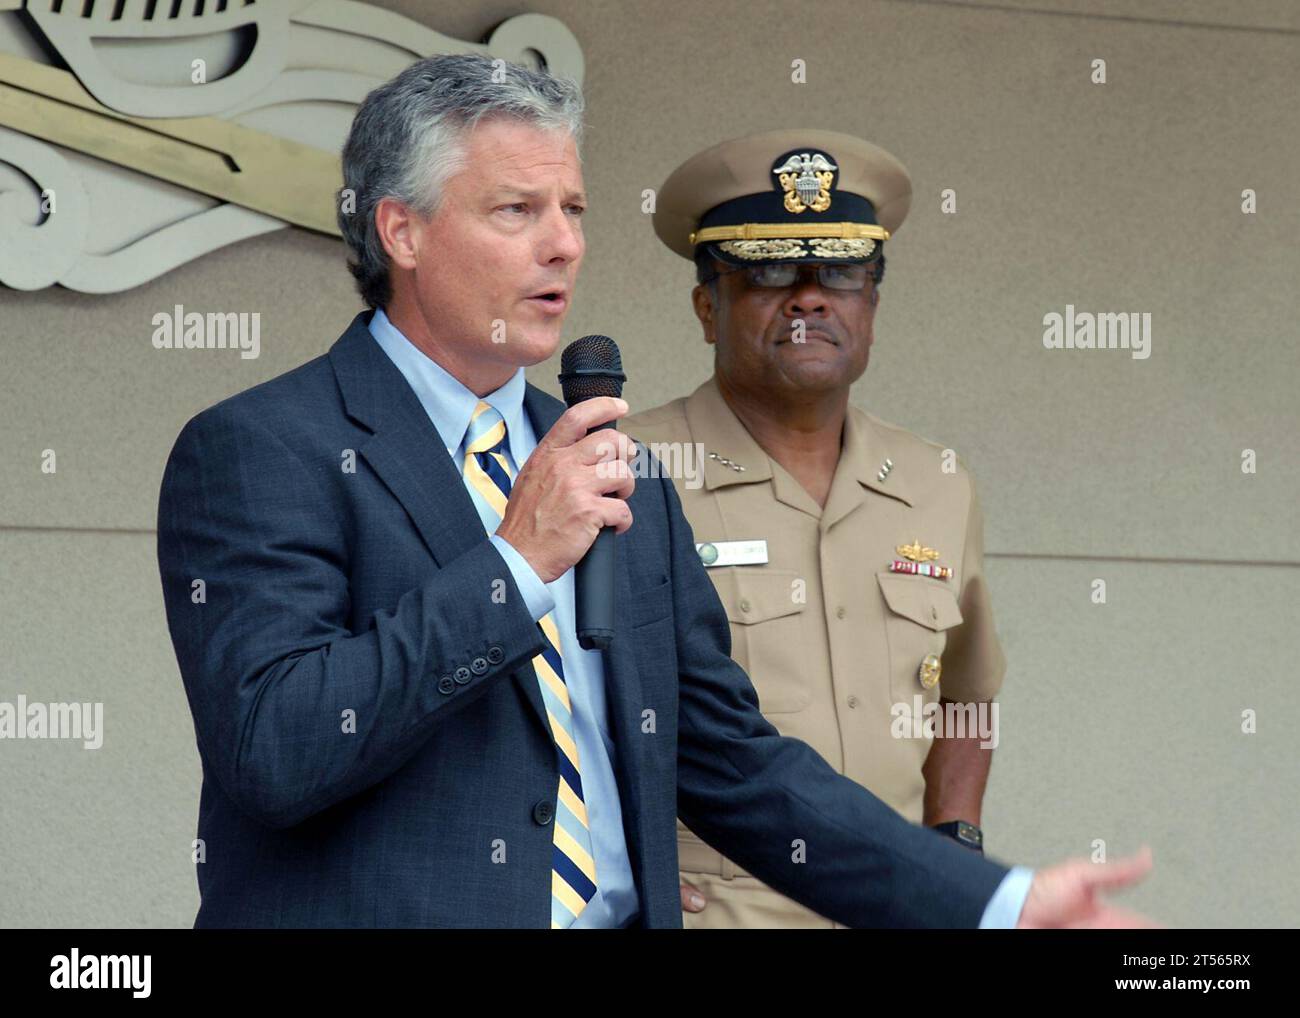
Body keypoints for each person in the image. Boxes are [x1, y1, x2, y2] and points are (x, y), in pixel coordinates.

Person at [156, 53, 1153, 928]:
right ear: (402, 232)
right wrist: (514, 562)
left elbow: (738, 766)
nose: (565, 245)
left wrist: (993, 902)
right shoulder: (262, 449)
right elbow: (276, 750)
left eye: (574, 210)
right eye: (517, 210)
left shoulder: (607, 460)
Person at [627, 129, 1009, 927]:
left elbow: (968, 697)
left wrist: (955, 854)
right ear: (708, 307)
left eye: (839, 271)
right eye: (768, 271)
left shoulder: (937, 482)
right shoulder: (628, 472)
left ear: (872, 305)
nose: (809, 297)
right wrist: (620, 869)